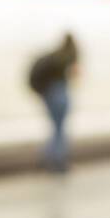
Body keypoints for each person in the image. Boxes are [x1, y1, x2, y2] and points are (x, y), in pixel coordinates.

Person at [28, 32, 78, 171]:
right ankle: (58, 161)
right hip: (58, 93)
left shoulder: (54, 55)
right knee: (59, 129)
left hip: (48, 93)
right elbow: (74, 74)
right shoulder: (69, 55)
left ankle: (47, 158)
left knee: (55, 128)